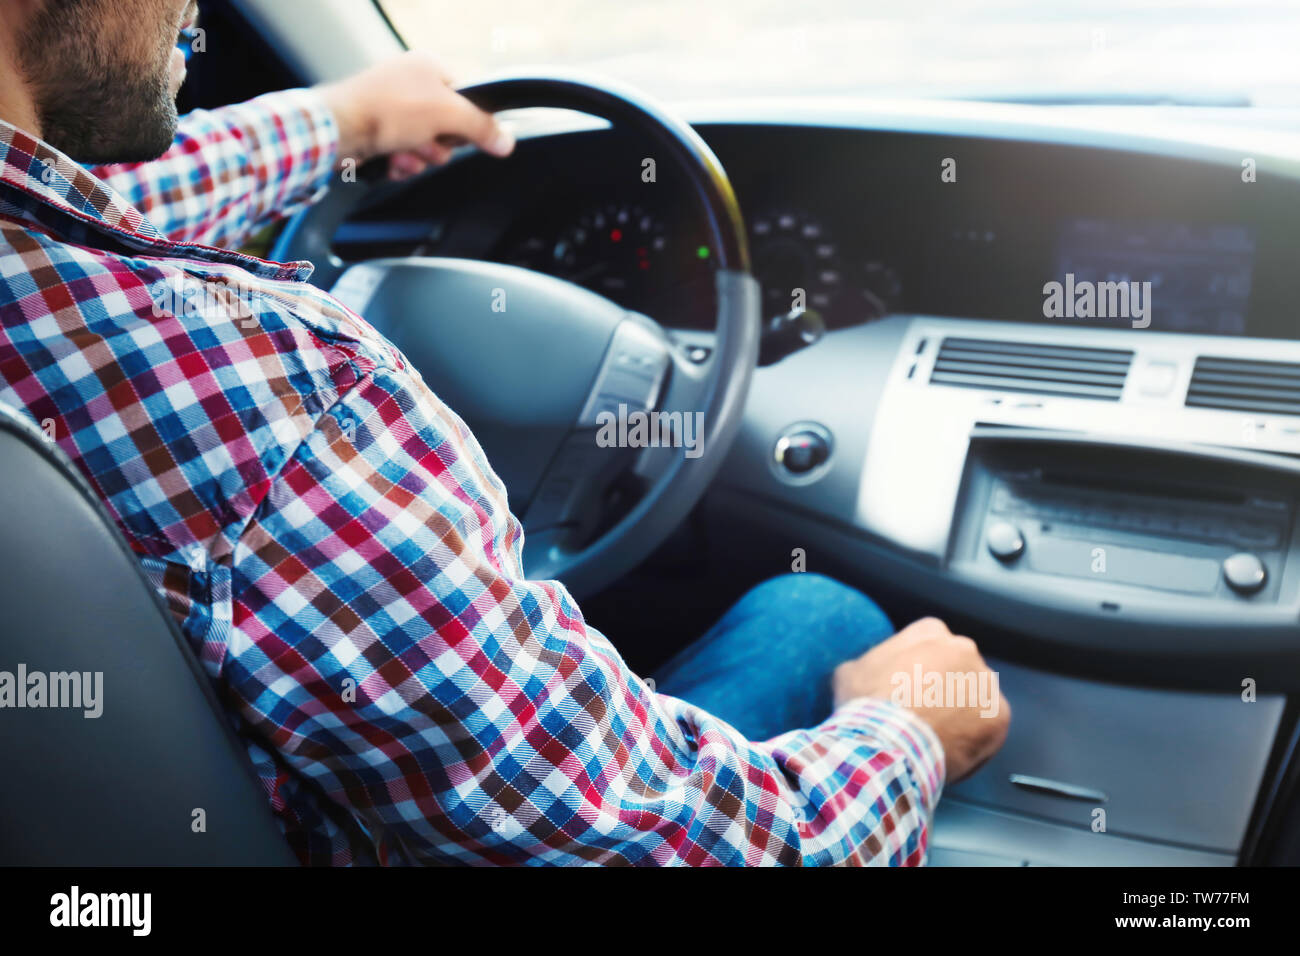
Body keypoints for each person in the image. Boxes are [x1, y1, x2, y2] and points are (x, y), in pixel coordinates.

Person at [0, 0, 1009, 865]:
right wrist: (906, 733)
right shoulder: (278, 398)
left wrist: (339, 117)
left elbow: (101, 204)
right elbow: (663, 841)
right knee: (818, 613)